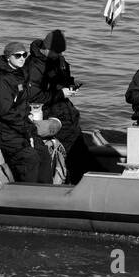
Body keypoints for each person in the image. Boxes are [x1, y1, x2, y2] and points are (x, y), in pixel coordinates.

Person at [0, 40, 54, 183]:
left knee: (43, 152)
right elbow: (6, 112)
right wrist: (26, 130)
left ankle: (47, 192)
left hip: (19, 127)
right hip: (3, 130)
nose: (22, 58)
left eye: (24, 55)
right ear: (8, 57)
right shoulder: (2, 80)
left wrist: (29, 129)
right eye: (17, 56)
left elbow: (23, 104)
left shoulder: (19, 75)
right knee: (29, 157)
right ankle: (27, 194)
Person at [25, 29, 87, 183]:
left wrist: (70, 87)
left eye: (61, 52)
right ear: (46, 49)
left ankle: (77, 182)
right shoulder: (34, 67)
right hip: (49, 114)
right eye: (56, 52)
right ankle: (63, 184)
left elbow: (64, 80)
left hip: (66, 112)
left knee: (79, 150)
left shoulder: (60, 60)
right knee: (65, 153)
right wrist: (61, 94)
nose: (59, 55)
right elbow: (33, 96)